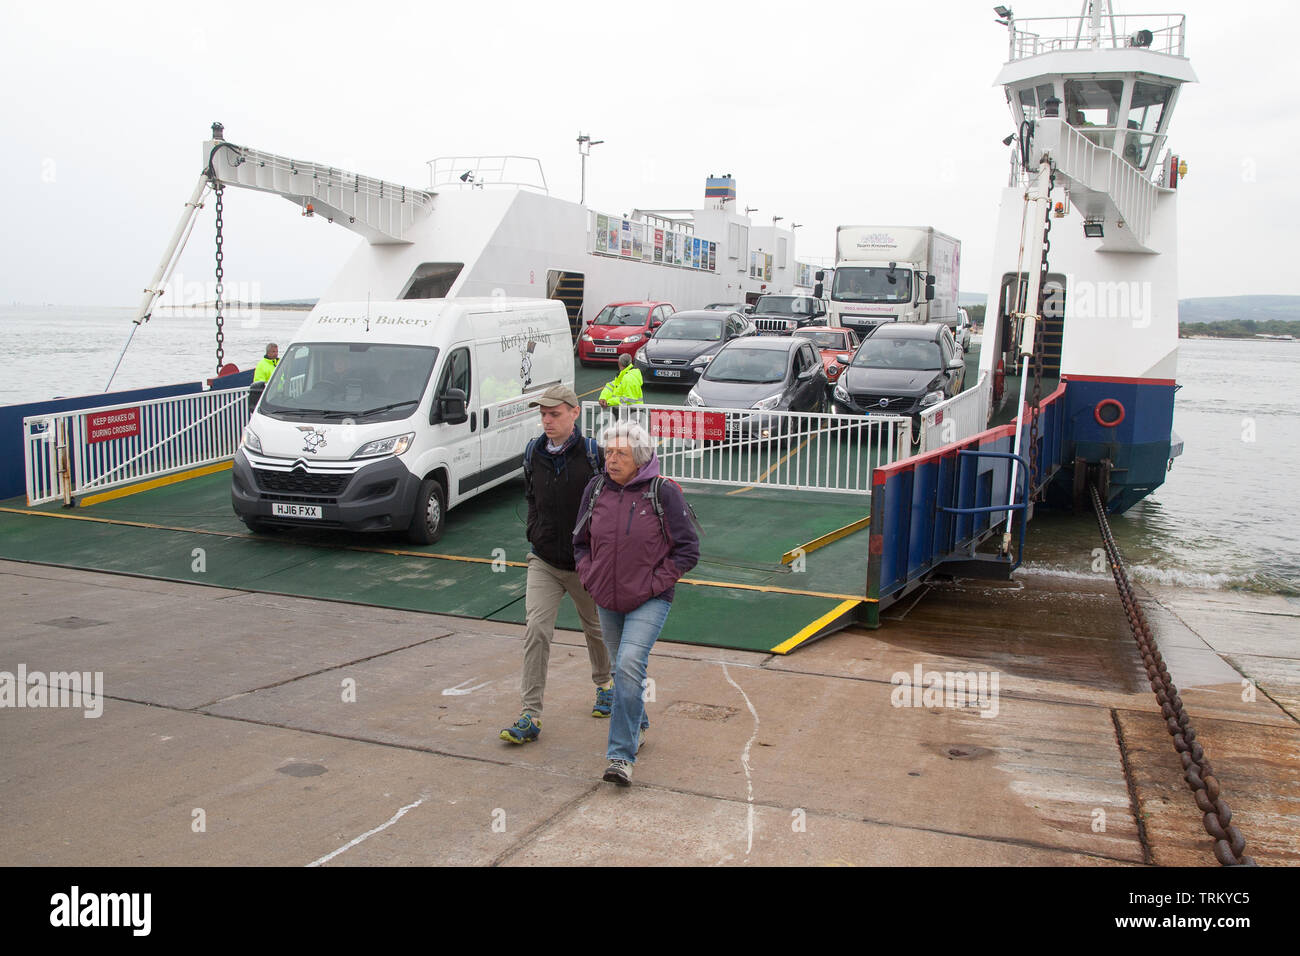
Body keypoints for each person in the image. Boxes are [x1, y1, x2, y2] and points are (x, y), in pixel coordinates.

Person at [573, 420, 700, 786]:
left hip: (650, 599)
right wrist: (589, 575)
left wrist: (653, 583)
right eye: (609, 452)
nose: (611, 460)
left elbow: (687, 550)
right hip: (606, 596)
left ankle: (620, 757)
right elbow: (580, 541)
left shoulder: (663, 493)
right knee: (621, 668)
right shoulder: (596, 489)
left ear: (641, 458)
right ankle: (638, 723)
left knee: (629, 663)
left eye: (621, 454)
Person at [499, 384, 613, 745]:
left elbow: (611, 502)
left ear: (574, 413)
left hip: (585, 563)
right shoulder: (533, 453)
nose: (547, 421)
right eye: (543, 414)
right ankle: (530, 715)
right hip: (544, 559)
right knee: (536, 630)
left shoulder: (594, 454)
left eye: (555, 414)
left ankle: (605, 685)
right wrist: (535, 529)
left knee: (595, 628)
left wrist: (598, 549)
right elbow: (531, 496)